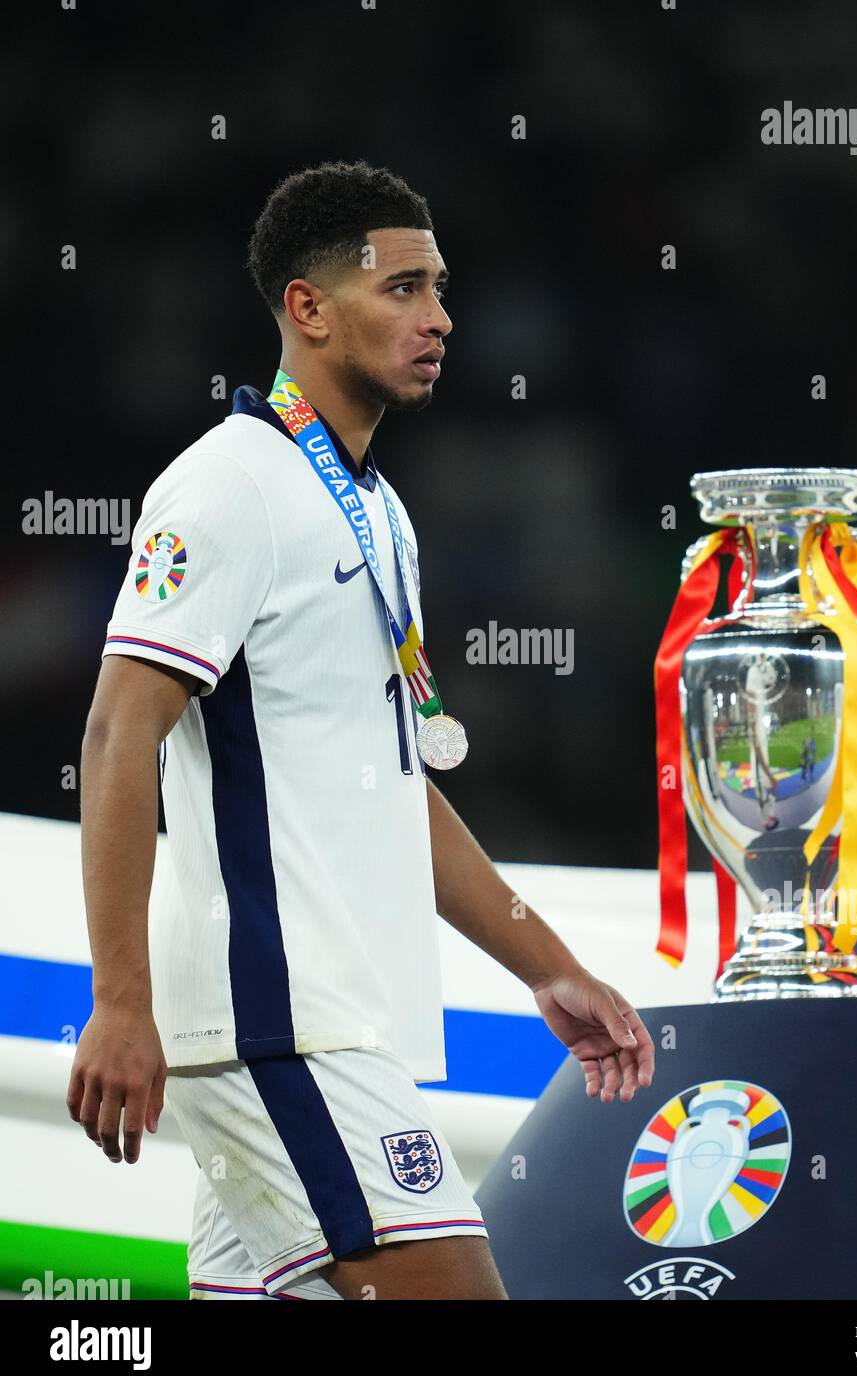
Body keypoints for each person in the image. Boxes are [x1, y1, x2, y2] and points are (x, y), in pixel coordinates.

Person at [67, 160, 654, 1301]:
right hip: (281, 1031)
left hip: (330, 1029)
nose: (438, 318)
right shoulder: (227, 487)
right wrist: (118, 997)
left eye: (440, 290)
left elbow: (394, 790)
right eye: (402, 289)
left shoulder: (377, 510)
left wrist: (551, 968)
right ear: (307, 307)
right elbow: (113, 736)